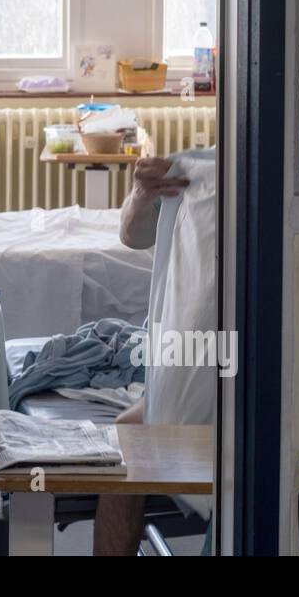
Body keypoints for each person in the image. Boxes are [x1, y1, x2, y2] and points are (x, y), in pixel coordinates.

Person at [92, 152, 216, 556]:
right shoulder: (203, 170)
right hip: (202, 360)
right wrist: (142, 193)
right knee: (125, 438)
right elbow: (132, 235)